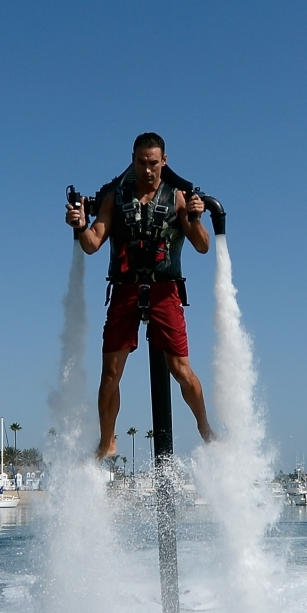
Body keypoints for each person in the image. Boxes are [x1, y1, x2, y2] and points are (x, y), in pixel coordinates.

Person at [65, 132, 214, 460]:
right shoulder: (114, 199)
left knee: (181, 369)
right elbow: (92, 244)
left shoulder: (176, 198)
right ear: (133, 161)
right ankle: (107, 441)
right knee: (110, 374)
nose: (148, 170)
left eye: (153, 163)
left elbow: (202, 245)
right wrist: (79, 225)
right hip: (126, 290)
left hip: (164, 292)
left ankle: (205, 428)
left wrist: (196, 215)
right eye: (142, 163)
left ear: (164, 161)